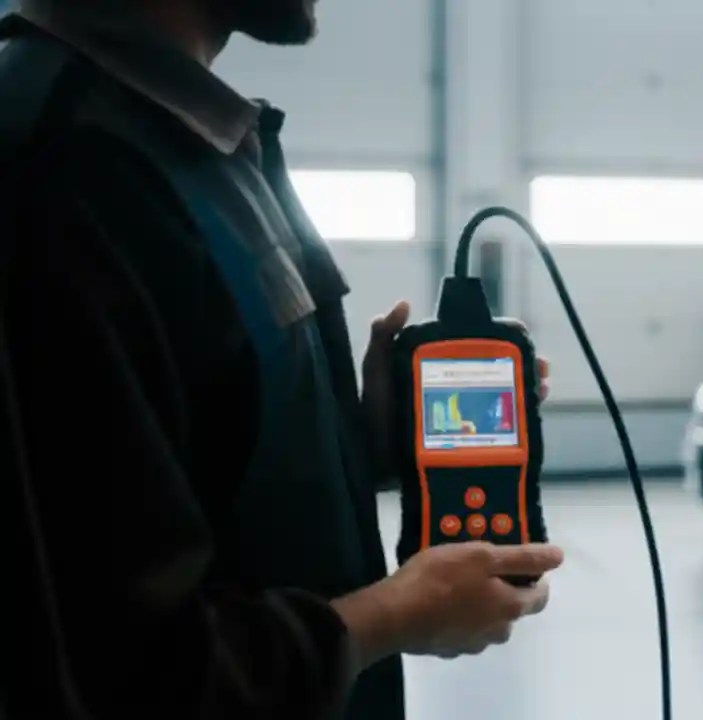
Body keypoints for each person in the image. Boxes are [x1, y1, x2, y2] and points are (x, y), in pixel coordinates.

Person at [0, 0, 564, 718]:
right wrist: (393, 617)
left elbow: (197, 462)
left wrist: (362, 444)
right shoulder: (56, 170)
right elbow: (116, 673)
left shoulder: (197, 138)